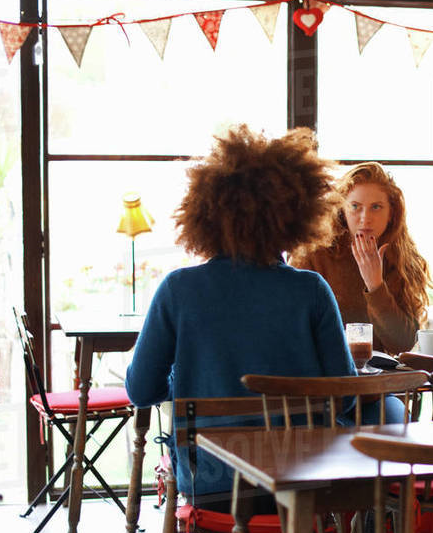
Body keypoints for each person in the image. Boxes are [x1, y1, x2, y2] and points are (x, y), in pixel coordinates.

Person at [125, 125, 354, 506]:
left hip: (209, 484)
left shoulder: (178, 289)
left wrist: (195, 382)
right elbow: (343, 397)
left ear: (206, 216)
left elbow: (141, 391)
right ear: (297, 217)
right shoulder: (311, 290)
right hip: (300, 482)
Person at [289, 161, 433, 356]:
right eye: (355, 206)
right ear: (342, 210)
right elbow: (292, 326)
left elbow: (403, 344)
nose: (365, 218)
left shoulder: (403, 258)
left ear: (391, 214)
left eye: (376, 207)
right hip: (325, 370)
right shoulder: (314, 252)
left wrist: (376, 285)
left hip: (379, 373)